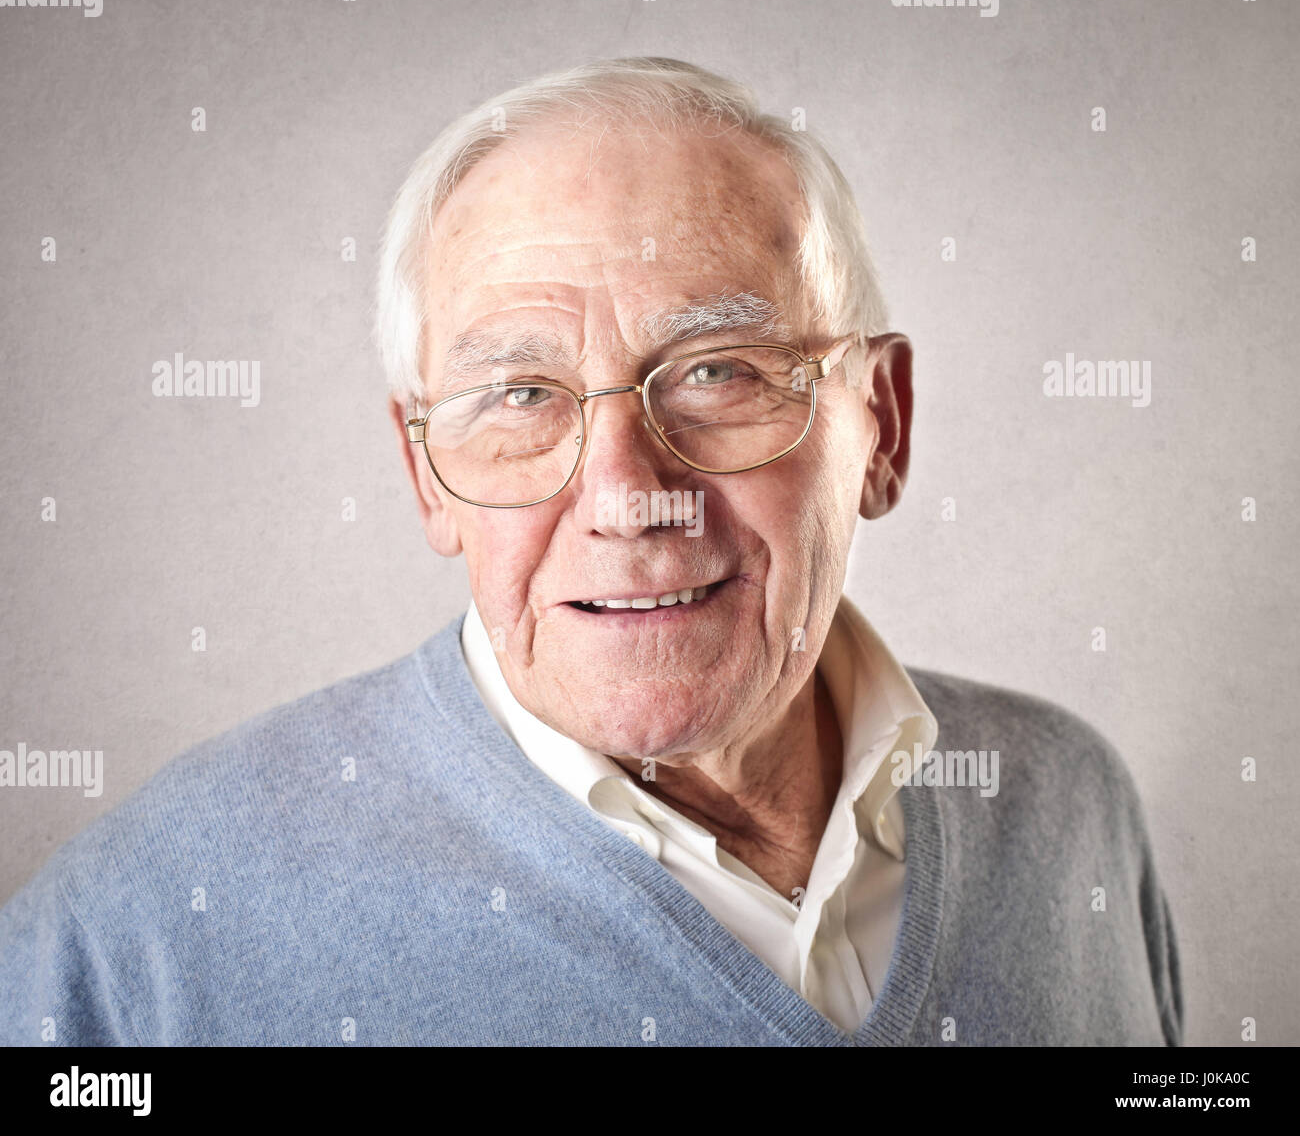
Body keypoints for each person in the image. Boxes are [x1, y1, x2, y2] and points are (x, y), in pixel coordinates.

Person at [0, 57, 1182, 1046]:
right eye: (521, 392)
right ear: (425, 475)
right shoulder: (141, 938)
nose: (628, 496)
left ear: (881, 425)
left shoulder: (1066, 807)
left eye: (717, 373)